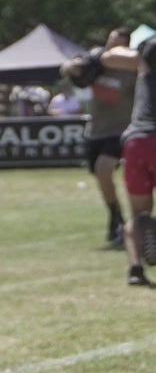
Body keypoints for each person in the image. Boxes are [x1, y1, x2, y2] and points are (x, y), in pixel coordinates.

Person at [85, 36, 156, 285]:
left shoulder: (144, 63)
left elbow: (107, 56)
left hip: (136, 141)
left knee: (138, 214)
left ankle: (135, 270)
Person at [62, 29, 135, 248]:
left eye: (117, 44)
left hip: (120, 130)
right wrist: (74, 66)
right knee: (100, 177)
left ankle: (134, 223)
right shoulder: (95, 63)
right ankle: (115, 216)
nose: (111, 48)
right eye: (110, 42)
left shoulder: (131, 70)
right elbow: (66, 69)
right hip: (95, 130)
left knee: (104, 169)